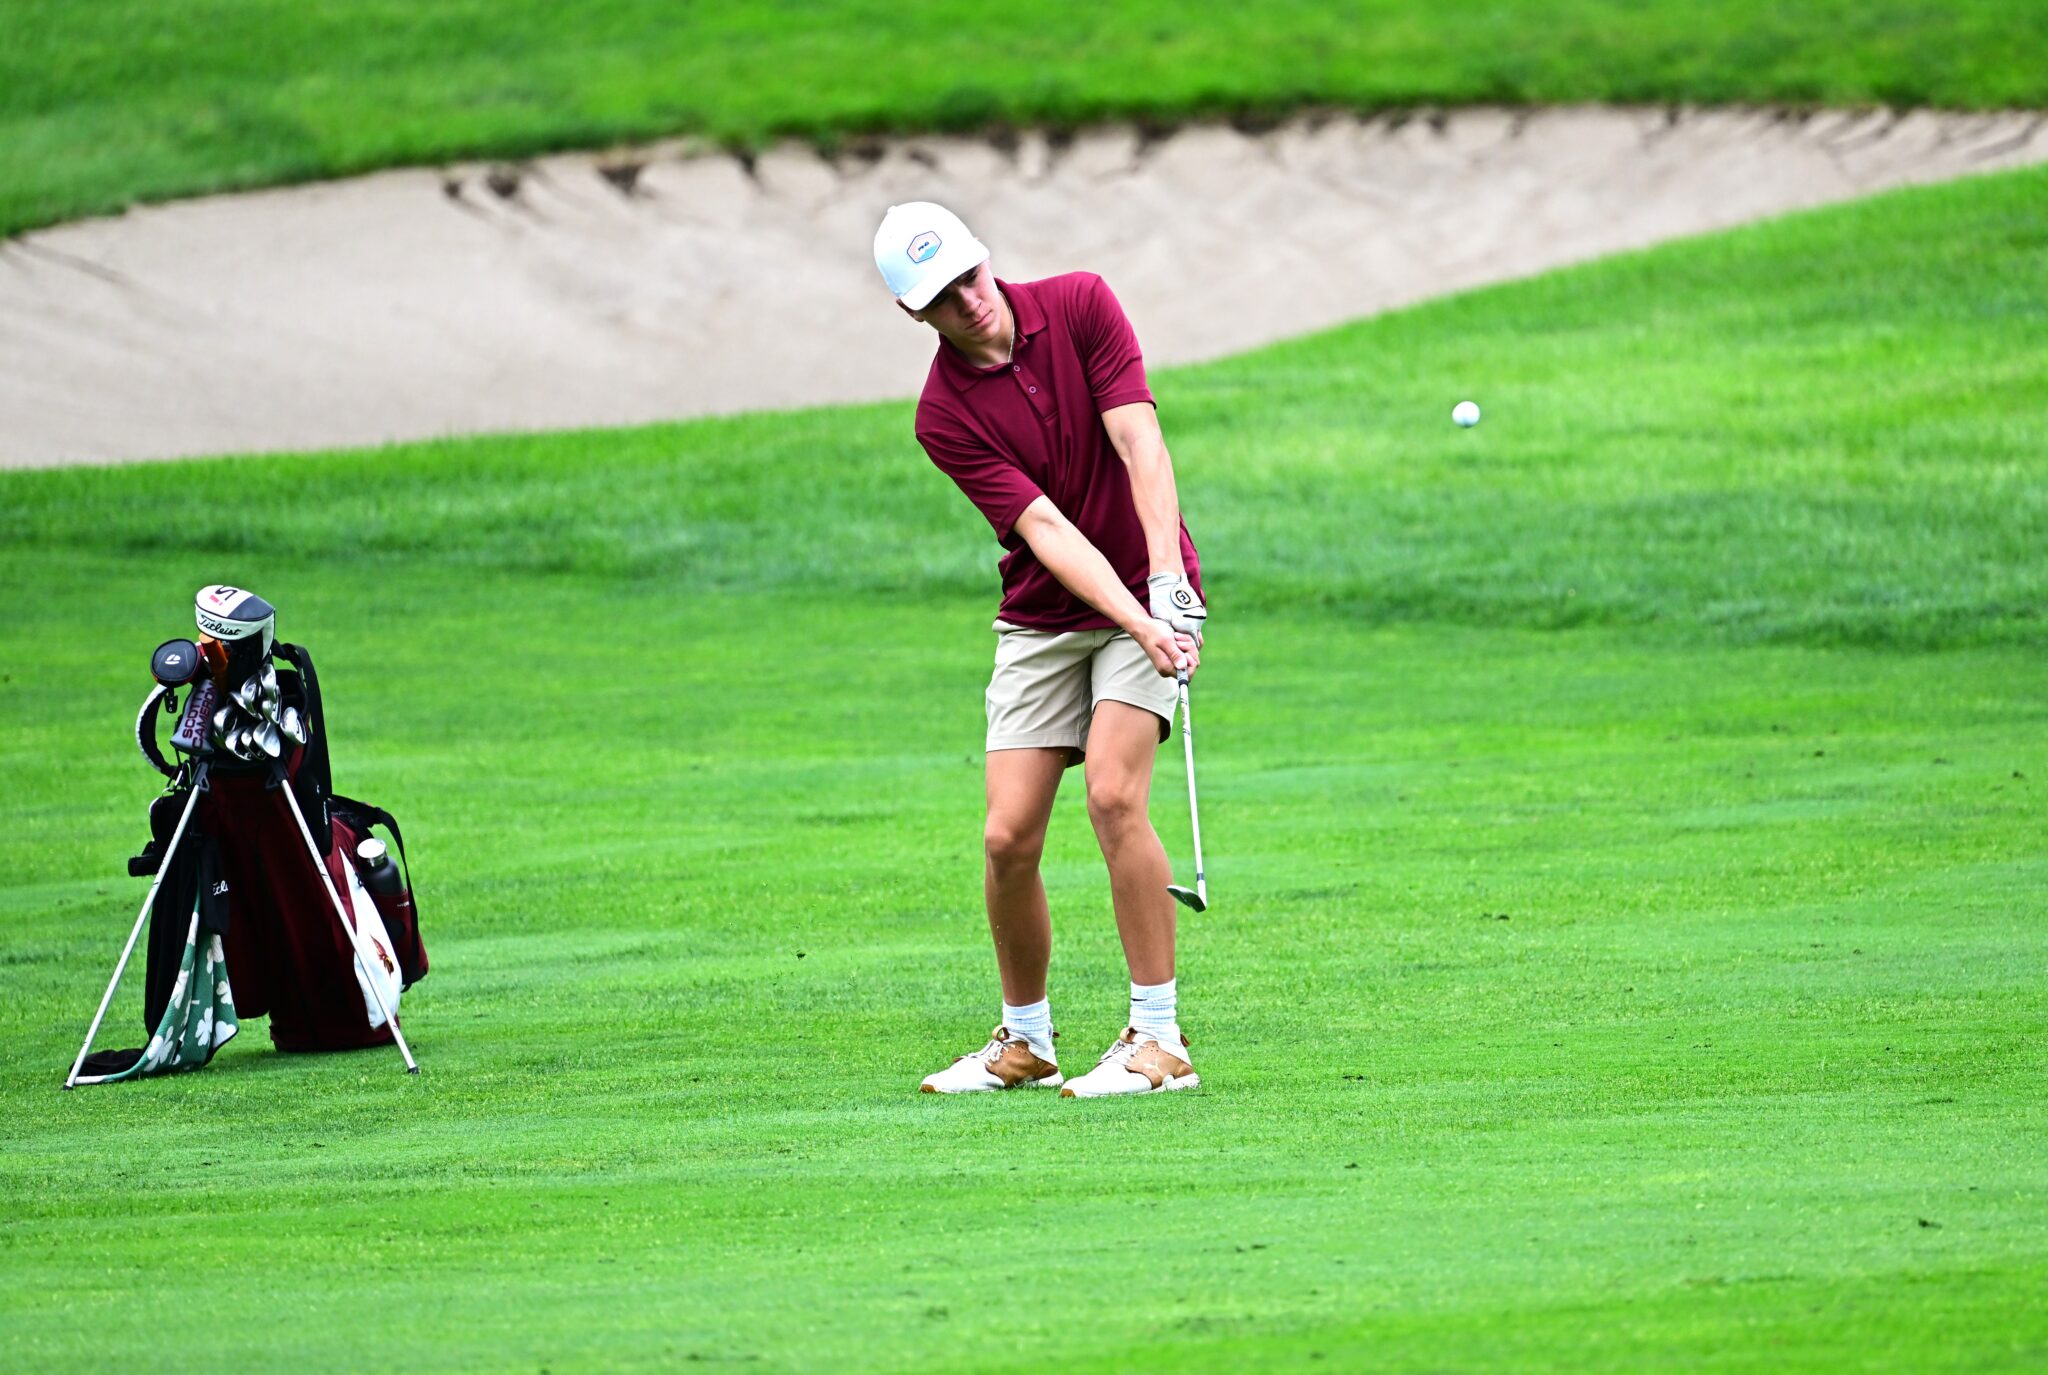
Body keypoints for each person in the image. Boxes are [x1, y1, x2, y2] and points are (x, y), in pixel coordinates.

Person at [872, 202, 1208, 1098]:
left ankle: (1160, 1041)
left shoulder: (1083, 303)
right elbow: (1043, 527)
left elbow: (1139, 439)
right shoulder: (942, 414)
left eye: (969, 278)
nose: (967, 302)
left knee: (1111, 792)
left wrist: (1166, 592)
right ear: (916, 315)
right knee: (1007, 834)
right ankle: (1026, 1040)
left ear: (987, 261)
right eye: (940, 297)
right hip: (1044, 615)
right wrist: (1132, 620)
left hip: (1151, 587)